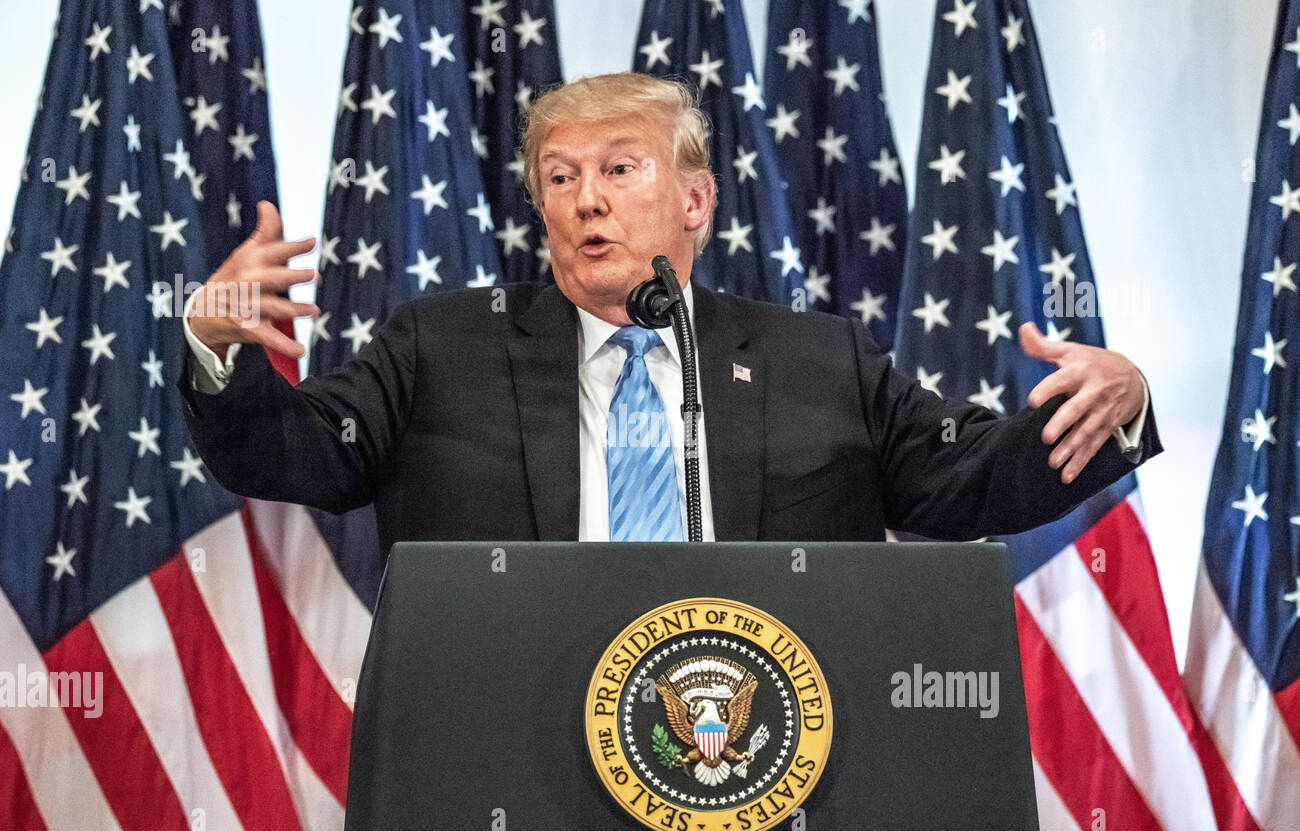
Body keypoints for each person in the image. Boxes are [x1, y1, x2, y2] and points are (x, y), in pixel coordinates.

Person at [177, 73, 1158, 556]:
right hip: (514, 756)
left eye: (617, 168)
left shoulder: (820, 361)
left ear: (695, 200)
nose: (585, 198)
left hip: (764, 762)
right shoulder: (438, 347)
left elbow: (970, 482)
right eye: (558, 176)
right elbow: (298, 453)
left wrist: (1113, 402)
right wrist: (218, 348)